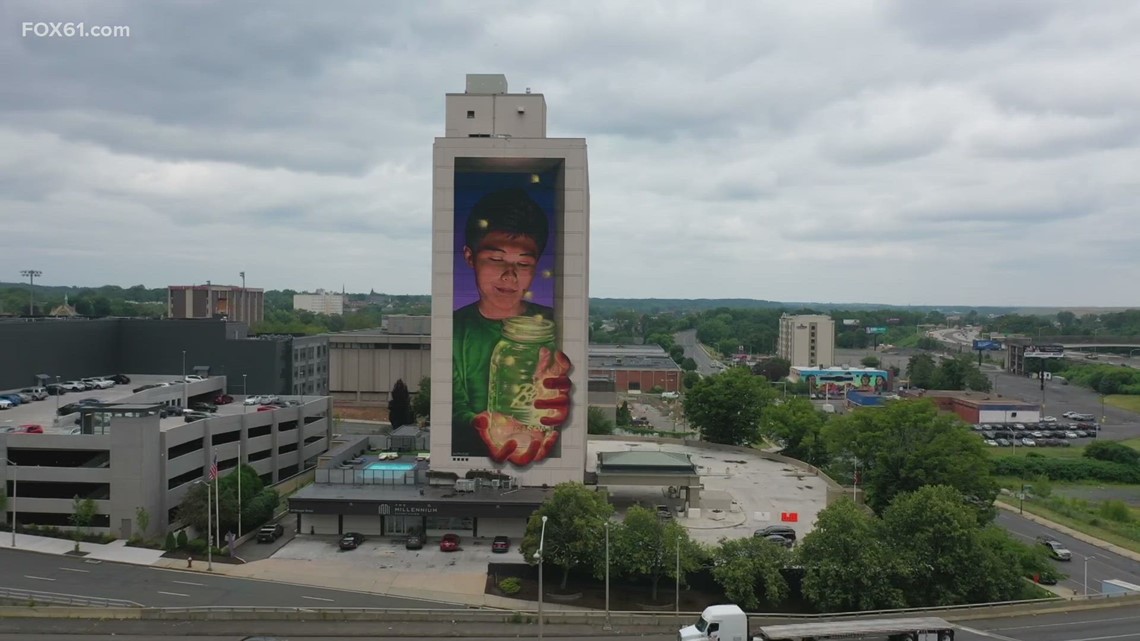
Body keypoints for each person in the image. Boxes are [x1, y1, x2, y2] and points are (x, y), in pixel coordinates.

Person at [452, 188, 572, 466]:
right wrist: (486, 427)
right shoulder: (456, 330)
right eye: (496, 260)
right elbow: (455, 407)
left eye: (523, 264)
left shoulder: (554, 326)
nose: (510, 275)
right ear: (470, 257)